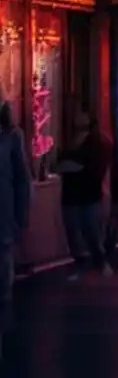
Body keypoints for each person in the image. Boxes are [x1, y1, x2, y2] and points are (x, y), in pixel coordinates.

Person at [56, 114, 112, 279]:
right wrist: (74, 166)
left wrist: (71, 166)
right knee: (73, 232)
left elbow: (90, 167)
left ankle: (100, 262)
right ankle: (81, 264)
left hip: (89, 195)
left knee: (90, 231)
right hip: (71, 195)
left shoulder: (97, 143)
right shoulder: (69, 139)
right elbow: (59, 164)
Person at [0, 101, 32, 359]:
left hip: (3, 215)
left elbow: (22, 180)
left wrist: (21, 216)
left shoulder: (11, 137)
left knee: (2, 278)